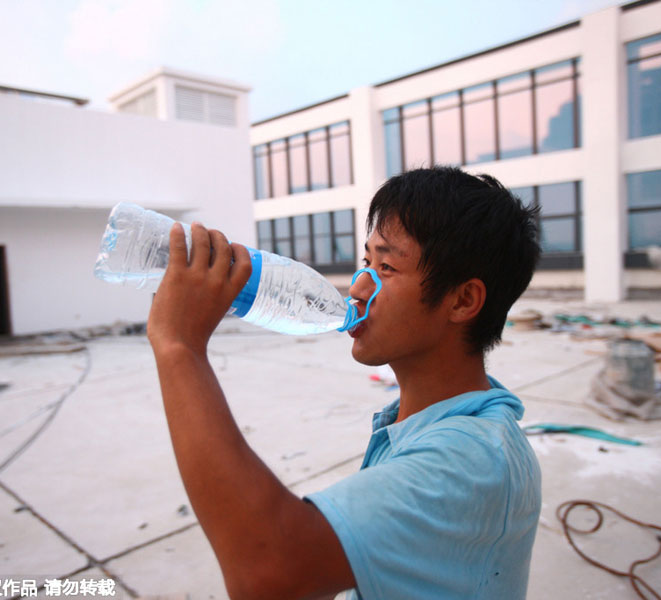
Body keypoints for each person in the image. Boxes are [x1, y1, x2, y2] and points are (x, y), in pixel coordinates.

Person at [146, 166, 543, 600]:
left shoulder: (473, 460)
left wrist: (178, 345)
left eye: (387, 267)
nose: (357, 287)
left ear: (463, 300)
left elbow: (268, 571)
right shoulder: (429, 419)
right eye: (366, 261)